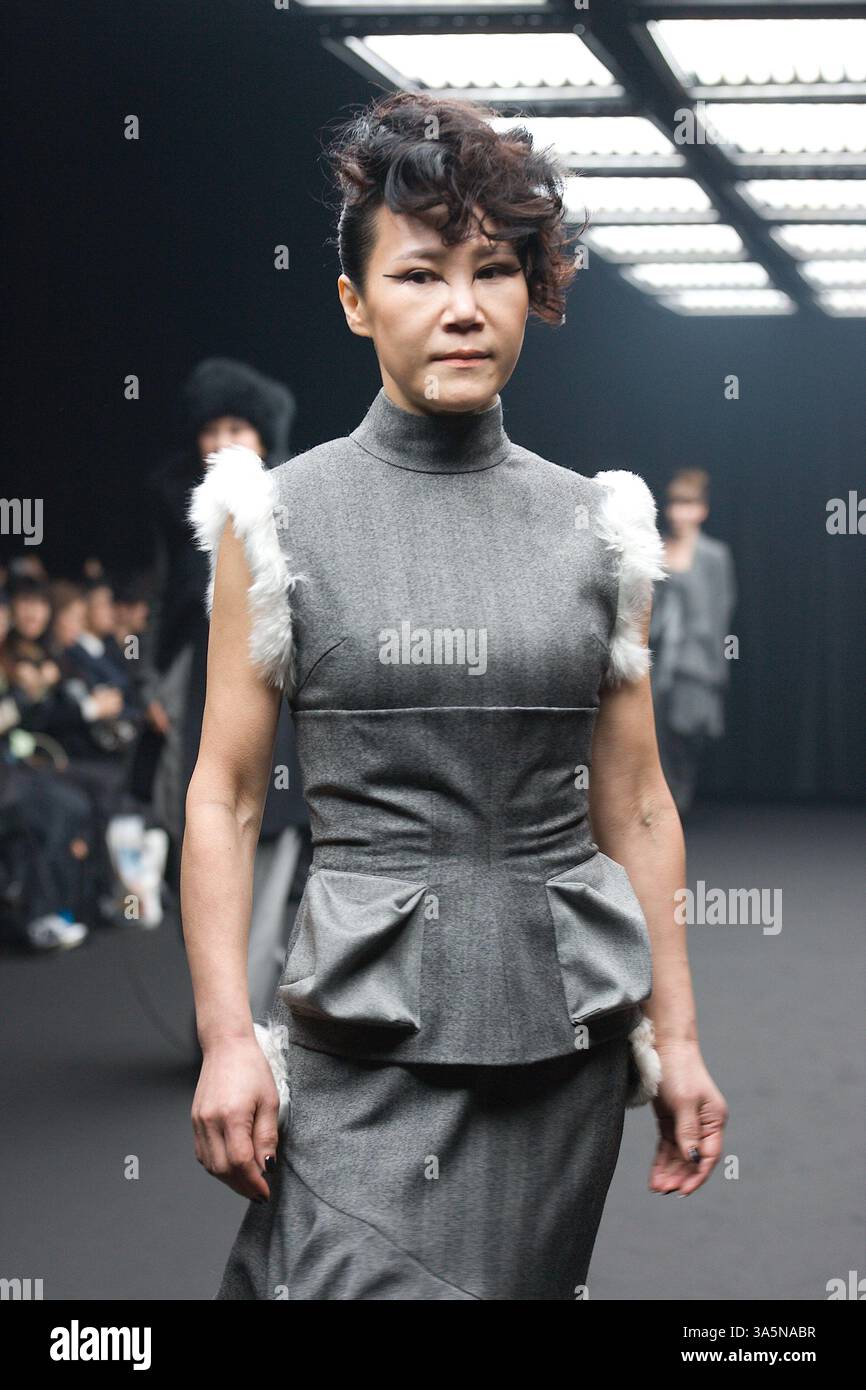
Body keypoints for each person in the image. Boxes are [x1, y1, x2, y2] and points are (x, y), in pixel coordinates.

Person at [182, 91, 729, 1301]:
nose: (462, 307)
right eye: (421, 273)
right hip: (359, 1048)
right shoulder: (273, 518)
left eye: (493, 270)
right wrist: (227, 1037)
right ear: (353, 299)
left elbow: (633, 807)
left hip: (561, 1046)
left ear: (532, 291)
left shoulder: (601, 523)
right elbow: (220, 798)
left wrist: (674, 1043)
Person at [649, 469, 738, 816]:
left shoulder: (715, 555)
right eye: (675, 504)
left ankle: (678, 805)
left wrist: (716, 673)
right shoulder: (655, 547)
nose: (679, 512)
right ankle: (665, 811)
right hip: (657, 660)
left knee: (687, 735)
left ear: (702, 509)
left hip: (696, 664)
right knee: (655, 739)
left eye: (688, 504)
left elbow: (720, 612)